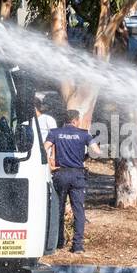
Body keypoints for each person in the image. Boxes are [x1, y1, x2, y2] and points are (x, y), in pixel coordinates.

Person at [45, 108, 102, 253]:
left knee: (58, 209)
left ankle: (58, 243)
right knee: (79, 211)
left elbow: (44, 148)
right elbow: (97, 152)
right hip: (77, 176)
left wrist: (50, 165)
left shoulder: (54, 132)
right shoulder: (83, 134)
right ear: (75, 120)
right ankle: (77, 246)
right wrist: (88, 154)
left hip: (60, 174)